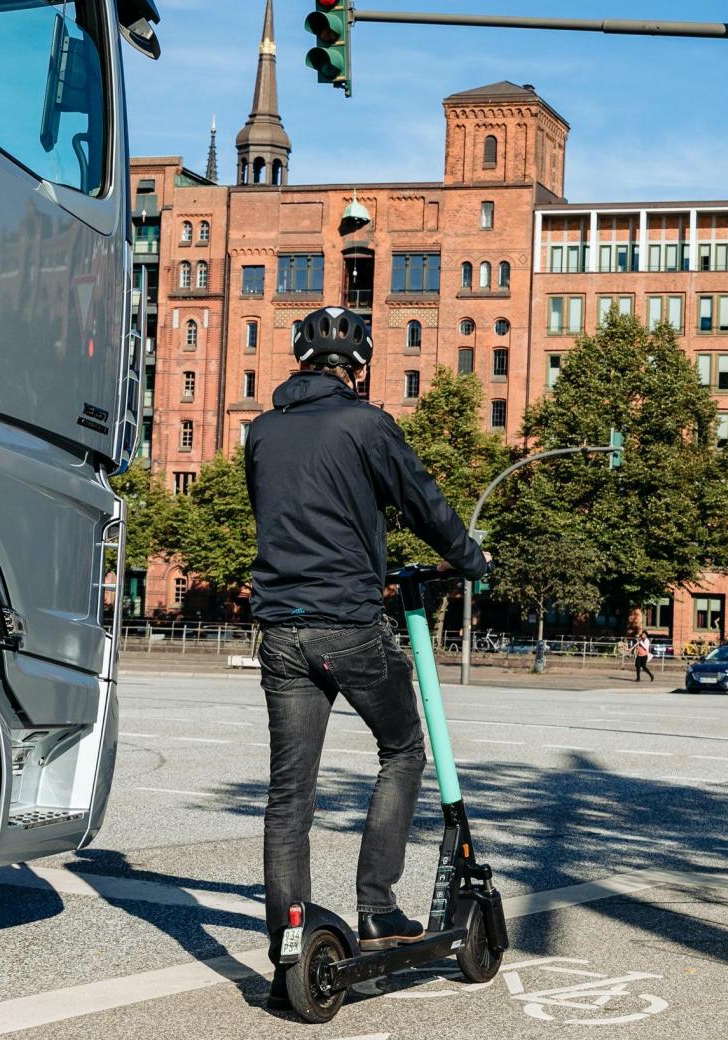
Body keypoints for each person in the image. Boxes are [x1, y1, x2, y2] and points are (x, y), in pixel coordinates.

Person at [244, 306, 489, 1005]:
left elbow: (278, 515)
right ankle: (378, 907)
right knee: (403, 749)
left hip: (281, 630)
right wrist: (469, 560)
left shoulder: (261, 432)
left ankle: (289, 936)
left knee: (289, 795)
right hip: (348, 624)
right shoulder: (367, 424)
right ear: (358, 369)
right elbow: (423, 504)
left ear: (298, 363)